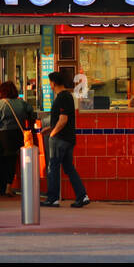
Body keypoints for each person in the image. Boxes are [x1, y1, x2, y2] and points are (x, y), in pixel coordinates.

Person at [44, 70, 89, 208]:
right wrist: (50, 128)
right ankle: (82, 196)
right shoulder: (67, 96)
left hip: (60, 139)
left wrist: (53, 133)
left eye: (50, 82)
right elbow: (61, 120)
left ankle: (53, 198)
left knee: (53, 167)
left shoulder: (62, 97)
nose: (49, 85)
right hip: (68, 139)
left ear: (54, 83)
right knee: (69, 168)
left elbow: (63, 120)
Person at [0, 81, 33, 196]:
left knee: (0, 161)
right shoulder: (22, 103)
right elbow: (32, 113)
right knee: (12, 161)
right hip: (17, 134)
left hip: (2, 134)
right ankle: (9, 187)